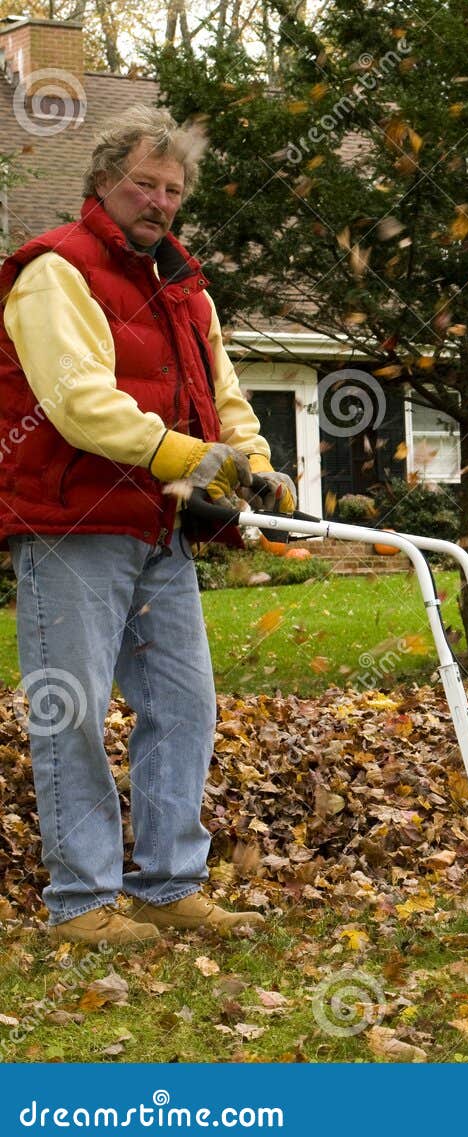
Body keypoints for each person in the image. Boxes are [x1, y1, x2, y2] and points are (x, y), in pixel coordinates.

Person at [0, 106, 296, 947]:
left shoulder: (183, 288)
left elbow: (224, 396)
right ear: (103, 182)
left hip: (159, 529)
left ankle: (170, 886)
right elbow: (80, 404)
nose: (159, 201)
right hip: (73, 524)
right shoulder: (57, 271)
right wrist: (191, 458)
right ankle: (81, 901)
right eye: (144, 184)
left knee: (184, 705)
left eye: (173, 190)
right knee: (74, 708)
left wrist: (253, 462)